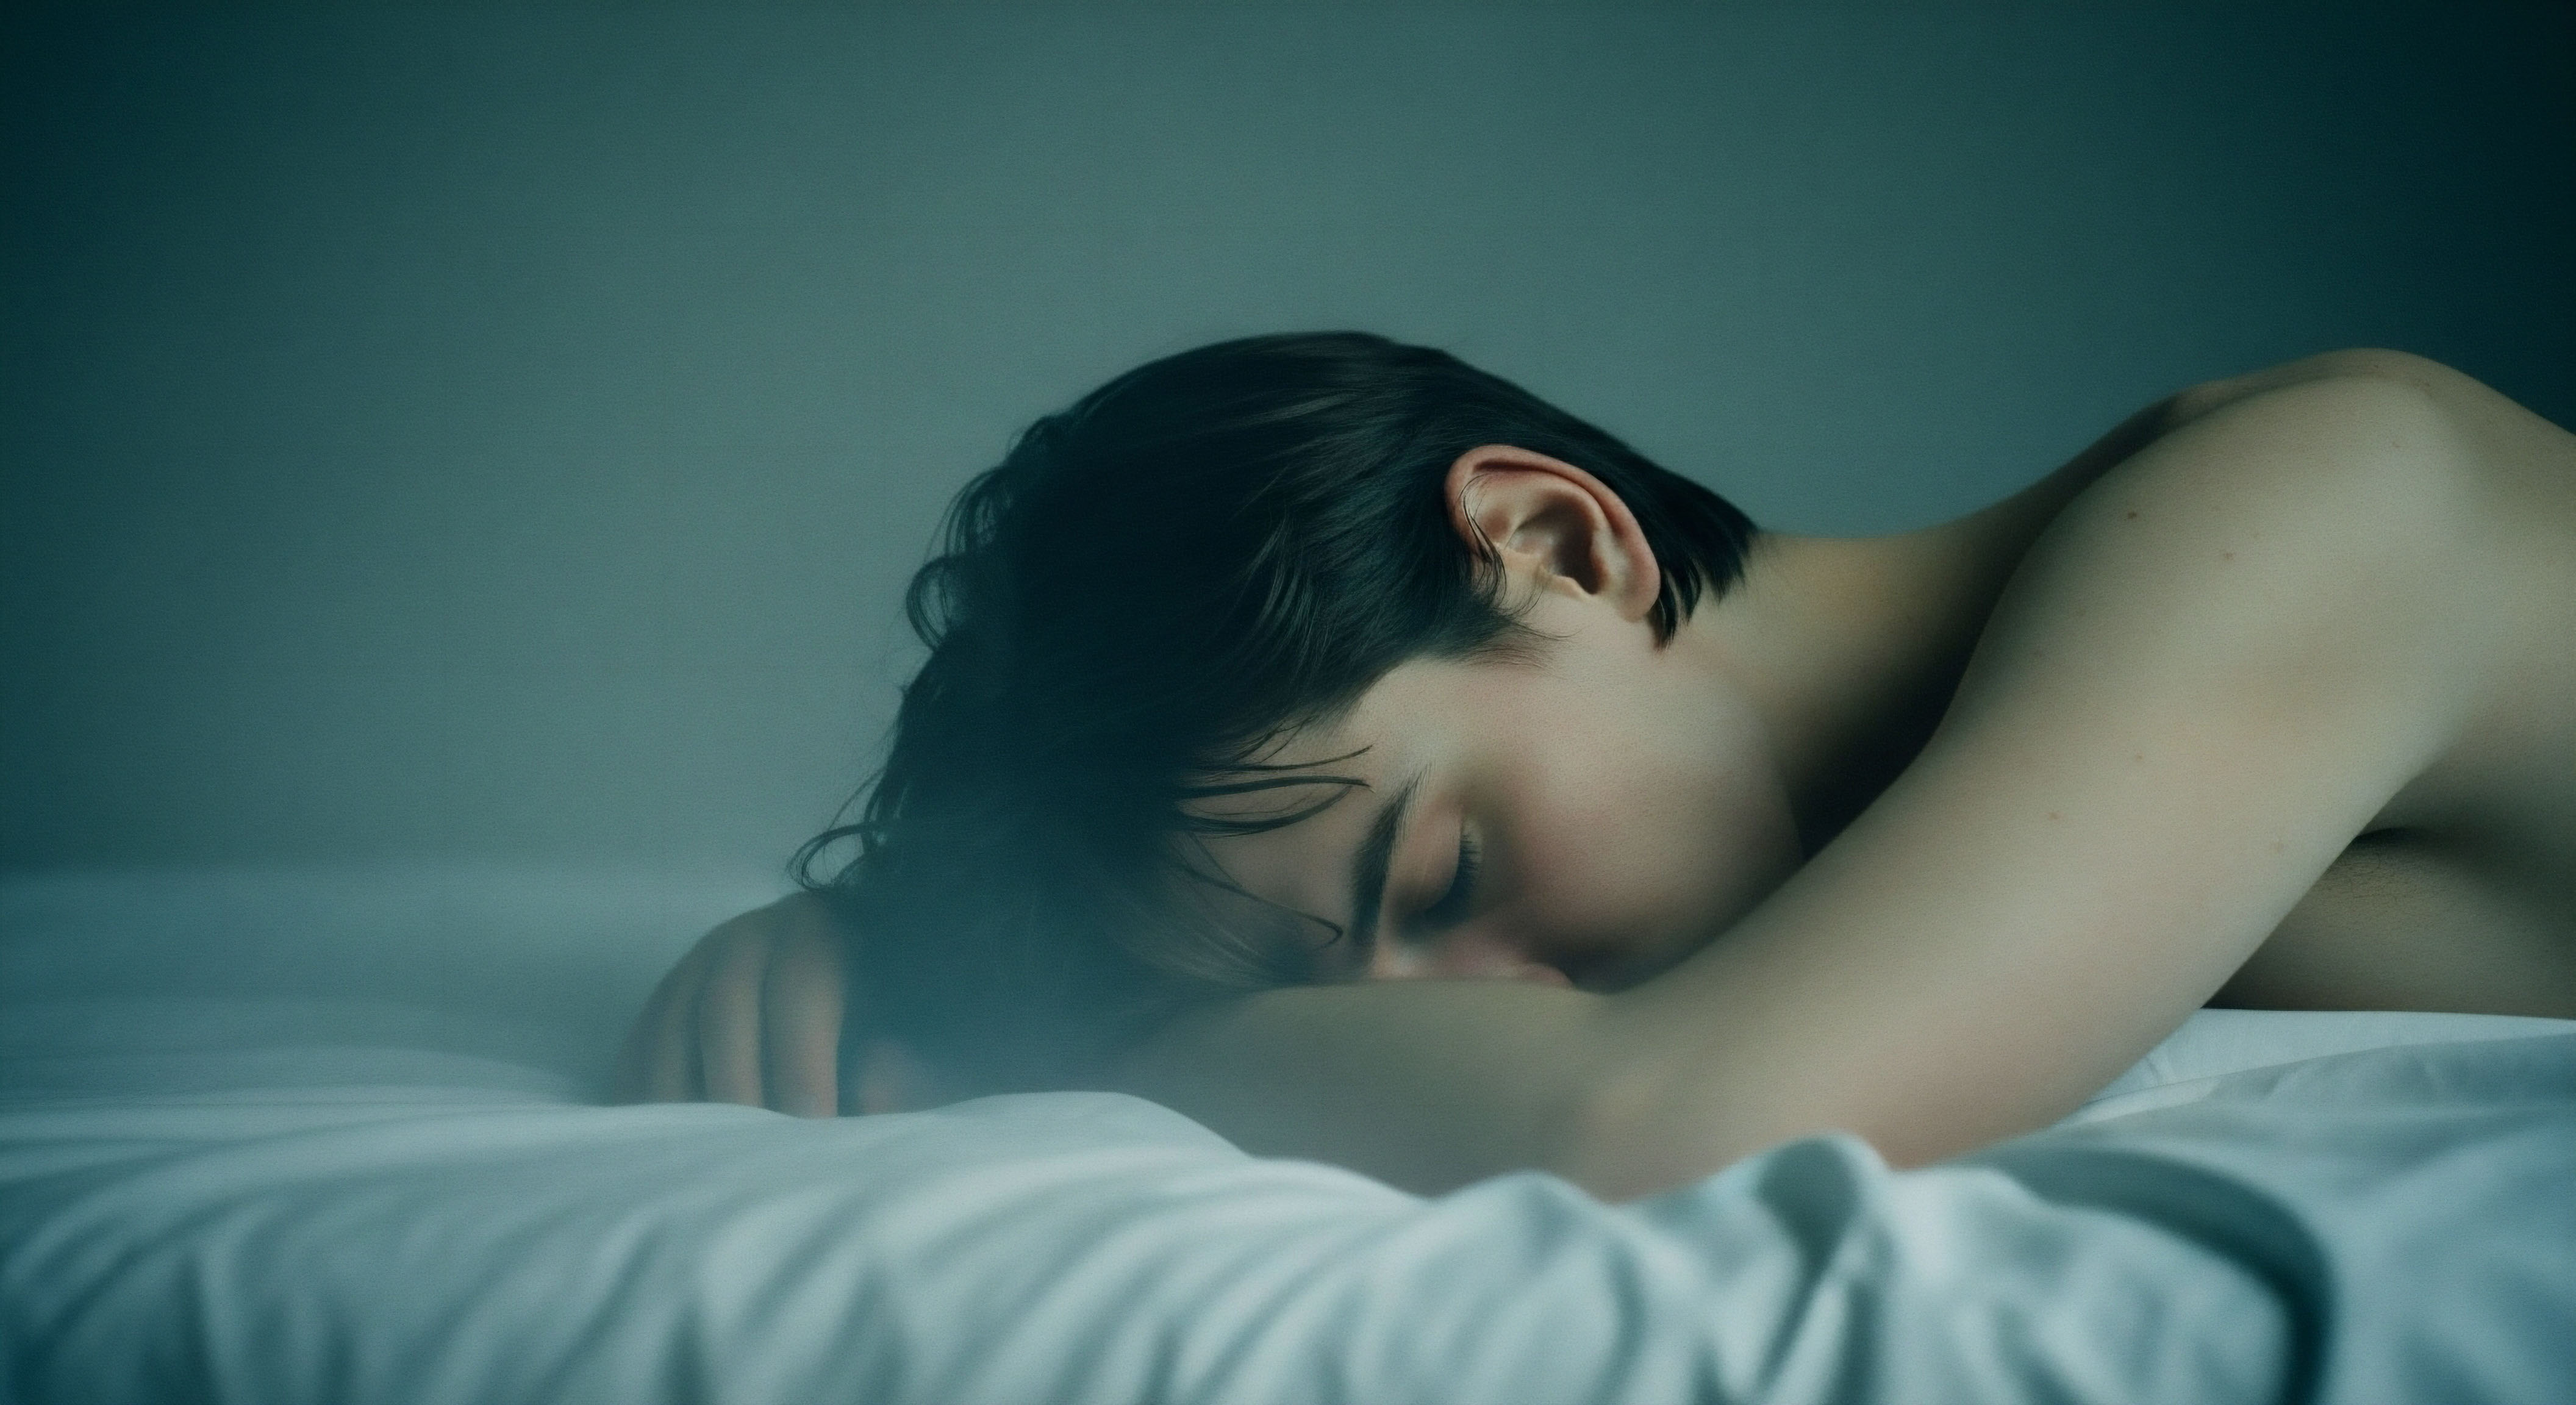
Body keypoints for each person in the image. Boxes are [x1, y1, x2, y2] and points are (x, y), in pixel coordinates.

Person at [618, 333, 2576, 1199]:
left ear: (1562, 547)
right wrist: (904, 941)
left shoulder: (2320, 508)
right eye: (1341, 993)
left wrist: (1068, 1040)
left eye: (1443, 881)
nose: (1477, 1022)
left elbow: (1658, 1132)